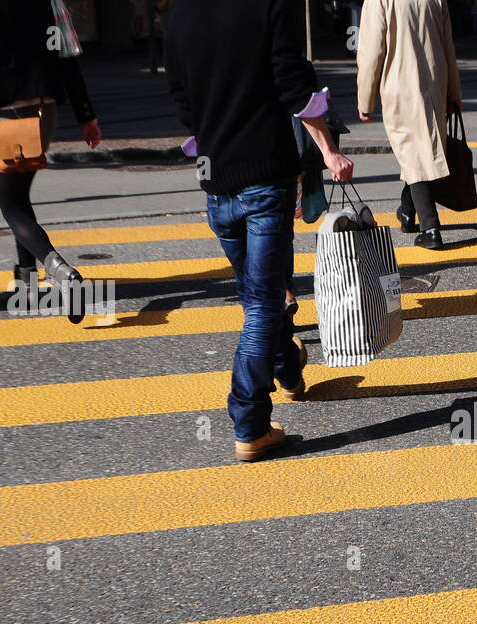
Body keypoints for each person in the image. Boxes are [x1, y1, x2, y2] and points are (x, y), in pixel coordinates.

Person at [165, 0, 354, 463]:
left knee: (259, 294)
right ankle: (249, 421)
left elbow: (182, 102)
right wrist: (328, 149)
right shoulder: (267, 8)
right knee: (263, 304)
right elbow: (297, 90)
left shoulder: (178, 15)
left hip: (216, 183)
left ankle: (287, 368)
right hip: (265, 177)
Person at [0, 0, 101, 322]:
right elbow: (67, 58)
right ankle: (25, 285)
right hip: (44, 109)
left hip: (6, 114)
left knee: (11, 206)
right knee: (19, 197)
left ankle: (61, 272)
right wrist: (86, 115)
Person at [357, 0, 463, 251]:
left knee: (413, 153)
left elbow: (372, 52)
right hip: (435, 84)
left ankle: (430, 227)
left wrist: (365, 99)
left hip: (399, 88)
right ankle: (407, 211)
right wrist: (454, 92)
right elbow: (449, 47)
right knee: (419, 152)